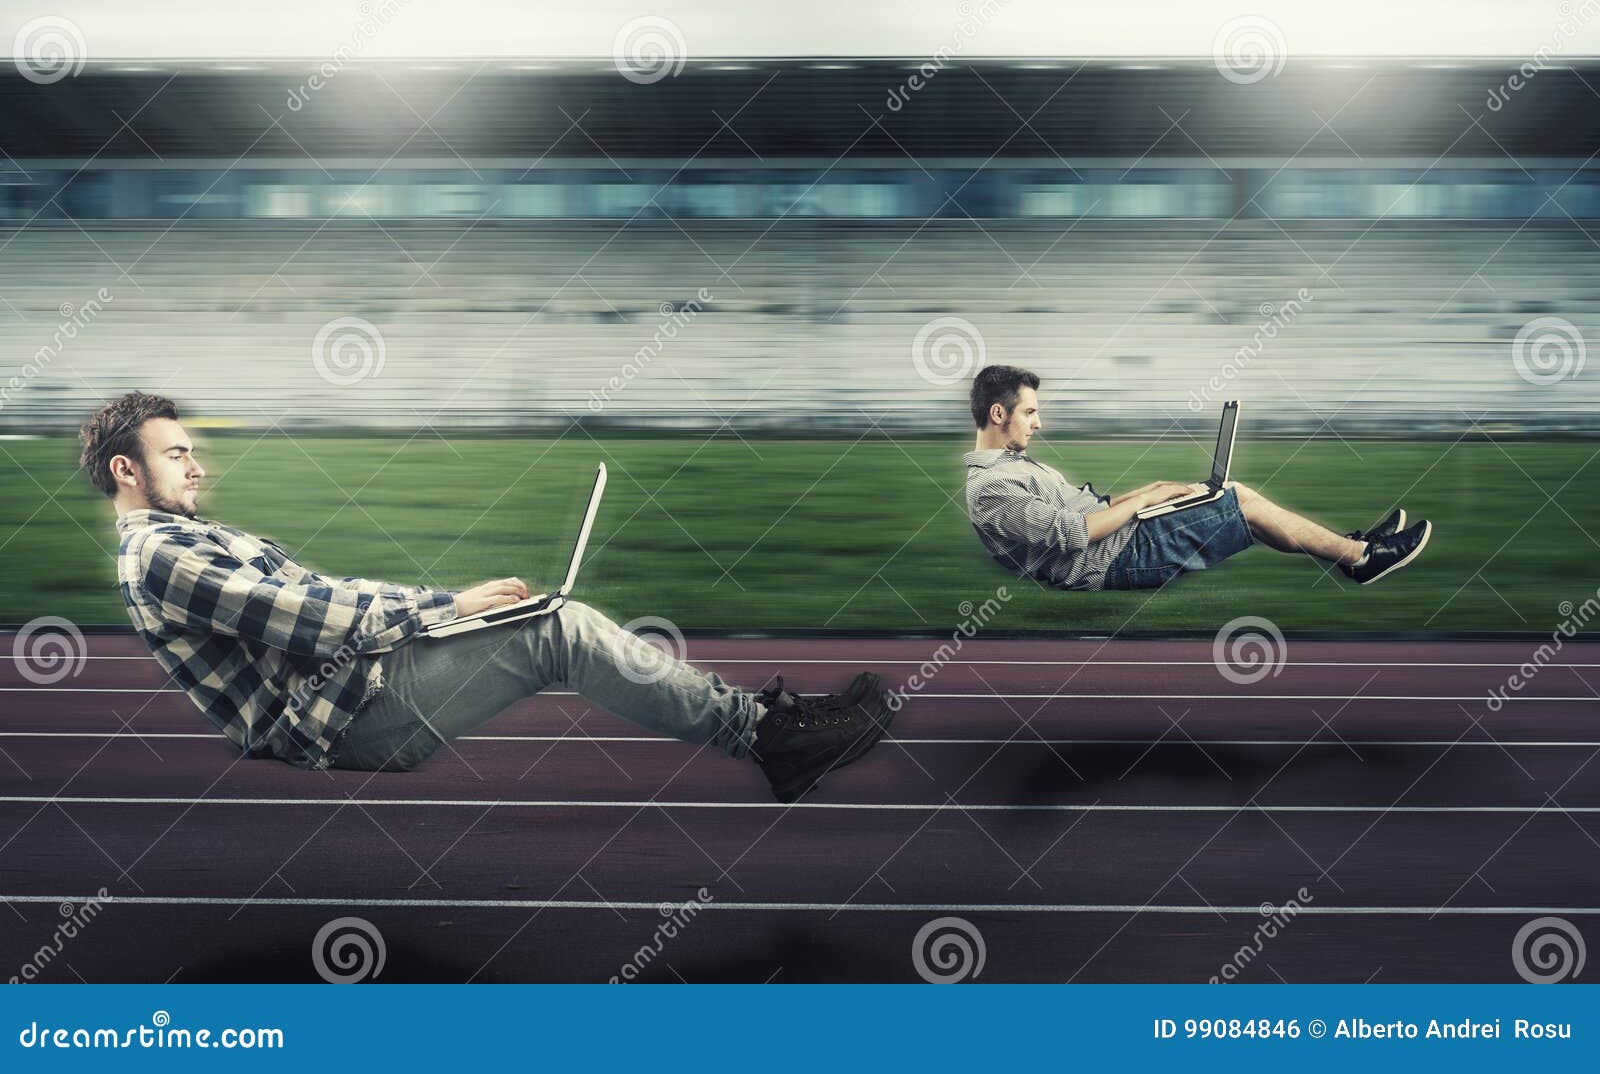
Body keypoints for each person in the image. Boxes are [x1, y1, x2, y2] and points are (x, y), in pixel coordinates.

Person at [81, 391, 891, 803]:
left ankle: (767, 729)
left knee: (538, 617)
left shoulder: (186, 537)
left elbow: (333, 593)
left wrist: (450, 604)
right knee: (559, 630)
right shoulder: (158, 555)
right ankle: (769, 739)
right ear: (127, 470)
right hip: (337, 719)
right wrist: (450, 610)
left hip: (356, 683)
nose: (197, 467)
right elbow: (310, 621)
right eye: (179, 453)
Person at [963, 365, 1432, 591]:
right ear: (998, 412)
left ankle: (1351, 551)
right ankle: (1359, 555)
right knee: (1239, 501)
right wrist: (1145, 504)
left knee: (1239, 506)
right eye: (1030, 412)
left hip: (1123, 537)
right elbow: (1074, 533)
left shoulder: (1016, 466)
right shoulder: (990, 490)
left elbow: (1088, 506)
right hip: (1112, 560)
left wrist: (1151, 492)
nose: (1038, 423)